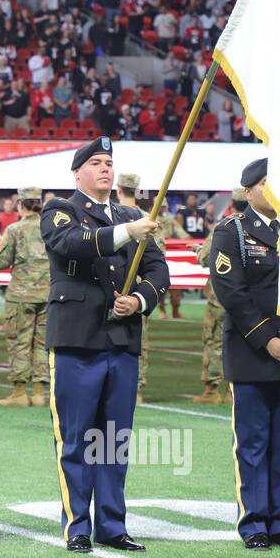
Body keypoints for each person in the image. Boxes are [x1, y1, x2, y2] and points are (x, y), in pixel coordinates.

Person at [41, 138, 167, 552]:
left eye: (109, 163)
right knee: (76, 439)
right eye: (95, 162)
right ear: (77, 172)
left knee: (114, 439)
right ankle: (77, 526)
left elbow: (157, 270)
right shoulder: (60, 210)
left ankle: (112, 525)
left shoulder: (132, 214)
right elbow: (72, 245)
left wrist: (140, 299)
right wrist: (128, 231)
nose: (105, 169)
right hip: (78, 340)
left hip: (122, 341)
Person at [210, 158, 280, 550]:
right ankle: (254, 524)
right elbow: (231, 291)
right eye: (266, 183)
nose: (274, 189)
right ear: (248, 191)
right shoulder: (231, 232)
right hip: (252, 352)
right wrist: (267, 338)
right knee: (252, 443)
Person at [0, 186, 48, 408]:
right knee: (42, 343)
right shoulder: (50, 228)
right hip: (49, 293)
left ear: (20, 204)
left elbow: (1, 261)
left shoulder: (15, 229)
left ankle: (19, 392)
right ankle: (38, 392)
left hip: (21, 295)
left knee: (19, 341)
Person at [194, 187, 246, 405]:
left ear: (231, 204)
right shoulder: (259, 227)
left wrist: (198, 250)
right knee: (244, 341)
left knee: (214, 339)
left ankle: (212, 389)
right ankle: (234, 391)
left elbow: (205, 258)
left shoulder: (223, 227)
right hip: (247, 296)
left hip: (220, 295)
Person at [114, 172, 159, 404]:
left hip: (111, 293)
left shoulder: (110, 214)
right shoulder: (147, 218)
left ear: (119, 190)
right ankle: (137, 388)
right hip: (139, 292)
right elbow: (157, 261)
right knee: (140, 340)